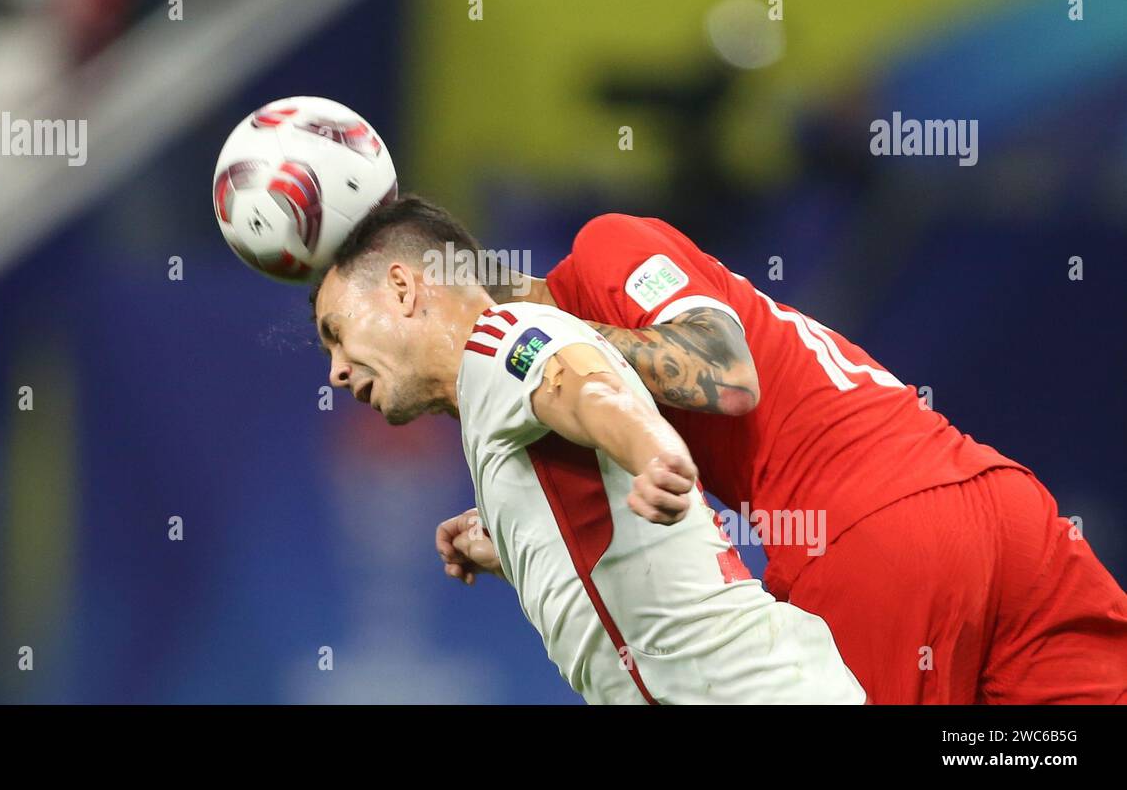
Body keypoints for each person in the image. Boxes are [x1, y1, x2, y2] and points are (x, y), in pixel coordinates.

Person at [437, 206, 1127, 704]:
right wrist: (527, 547)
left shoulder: (601, 253)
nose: (342, 374)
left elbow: (727, 374)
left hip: (873, 538)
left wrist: (541, 340)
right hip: (994, 505)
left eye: (343, 337)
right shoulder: (582, 397)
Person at [312, 198, 865, 704]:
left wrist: (652, 455)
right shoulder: (490, 387)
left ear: (404, 290)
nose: (335, 370)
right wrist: (516, 543)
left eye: (338, 332)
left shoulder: (502, 339)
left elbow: (588, 392)